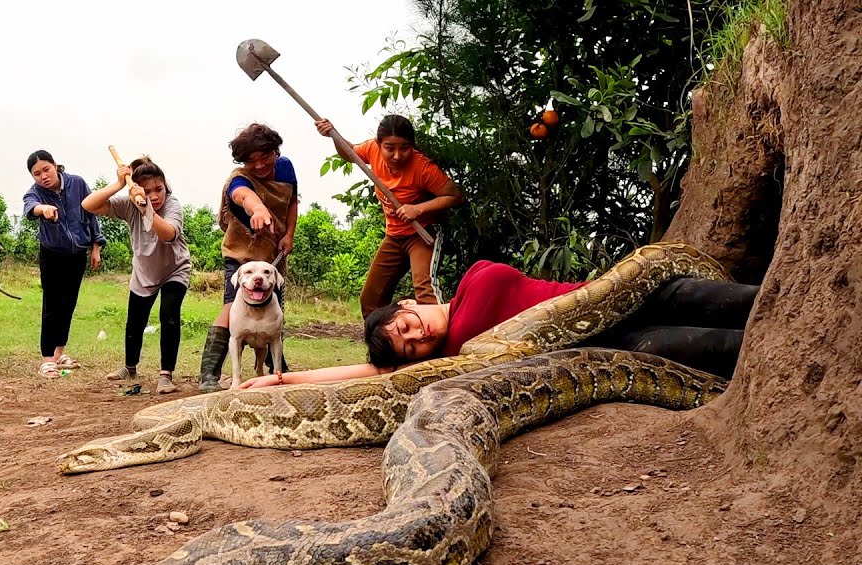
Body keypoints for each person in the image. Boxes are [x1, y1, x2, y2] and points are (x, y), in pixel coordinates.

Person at [239, 259, 757, 389]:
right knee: (718, 346)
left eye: (406, 327)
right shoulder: (461, 355)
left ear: (407, 306)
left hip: (626, 295)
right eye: (410, 349)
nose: (417, 338)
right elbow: (371, 375)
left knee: (723, 300)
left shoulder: (476, 278)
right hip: (619, 341)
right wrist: (282, 378)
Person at [316, 115, 465, 318]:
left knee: (424, 290)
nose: (397, 155)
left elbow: (455, 195)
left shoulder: (423, 168)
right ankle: (382, 346)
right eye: (390, 148)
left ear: (412, 145)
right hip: (394, 236)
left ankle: (446, 345)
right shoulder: (371, 149)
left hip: (422, 234)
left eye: (404, 148)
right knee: (371, 299)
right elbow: (349, 154)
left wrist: (418, 209)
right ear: (379, 144)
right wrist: (333, 135)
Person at [197, 123, 299, 393]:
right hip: (241, 252)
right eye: (251, 161)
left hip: (271, 255)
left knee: (273, 309)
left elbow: (292, 203)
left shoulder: (286, 168)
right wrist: (257, 208)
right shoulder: (239, 178)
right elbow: (243, 195)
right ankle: (209, 373)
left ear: (275, 152)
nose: (260, 165)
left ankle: (277, 368)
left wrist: (288, 234)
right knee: (233, 306)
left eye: (265, 157)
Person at [81, 157, 190, 394]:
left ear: (165, 187)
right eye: (147, 191)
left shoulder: (173, 205)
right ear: (135, 190)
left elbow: (169, 234)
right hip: (144, 271)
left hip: (175, 269)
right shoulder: (129, 205)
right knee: (135, 322)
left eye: (158, 189)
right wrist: (119, 184)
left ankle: (165, 375)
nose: (154, 196)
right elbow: (88, 205)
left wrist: (147, 209)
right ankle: (130, 367)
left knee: (168, 315)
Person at [23, 150, 106, 379]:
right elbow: (30, 207)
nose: (43, 177)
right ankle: (47, 360)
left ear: (55, 166)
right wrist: (44, 209)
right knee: (52, 305)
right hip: (51, 254)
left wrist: (96, 246)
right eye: (36, 174)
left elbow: (91, 214)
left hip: (77, 253)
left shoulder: (77, 184)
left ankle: (60, 354)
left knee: (68, 304)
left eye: (46, 170)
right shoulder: (35, 193)